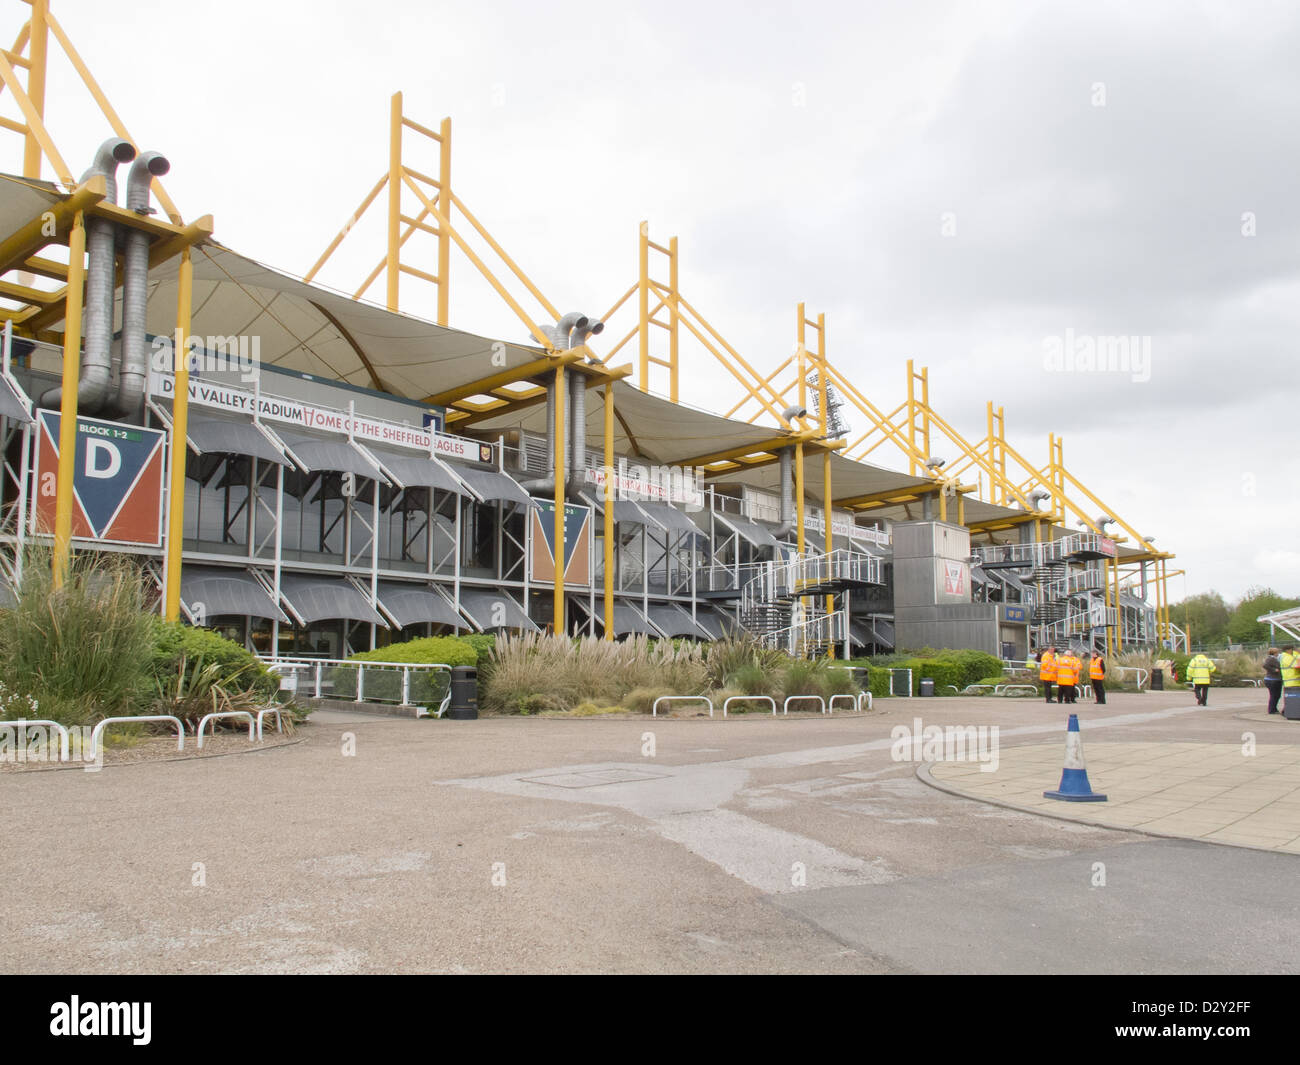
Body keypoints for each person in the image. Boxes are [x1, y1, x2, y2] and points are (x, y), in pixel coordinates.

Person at [1262, 648, 1282, 715]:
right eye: (1277, 652)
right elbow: (1265, 665)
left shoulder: (1274, 658)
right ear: (1274, 653)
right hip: (1272, 680)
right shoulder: (1271, 658)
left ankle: (1273, 708)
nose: (1278, 653)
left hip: (1275, 679)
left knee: (1276, 695)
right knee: (1274, 695)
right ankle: (1271, 710)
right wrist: (1274, 670)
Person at [1281, 646, 1300, 715]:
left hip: (1293, 682)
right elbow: (1296, 665)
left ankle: (1286, 711)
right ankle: (1286, 711)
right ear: (1288, 650)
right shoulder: (1287, 657)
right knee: (1292, 700)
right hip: (1292, 682)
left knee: (1291, 699)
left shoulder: (1289, 656)